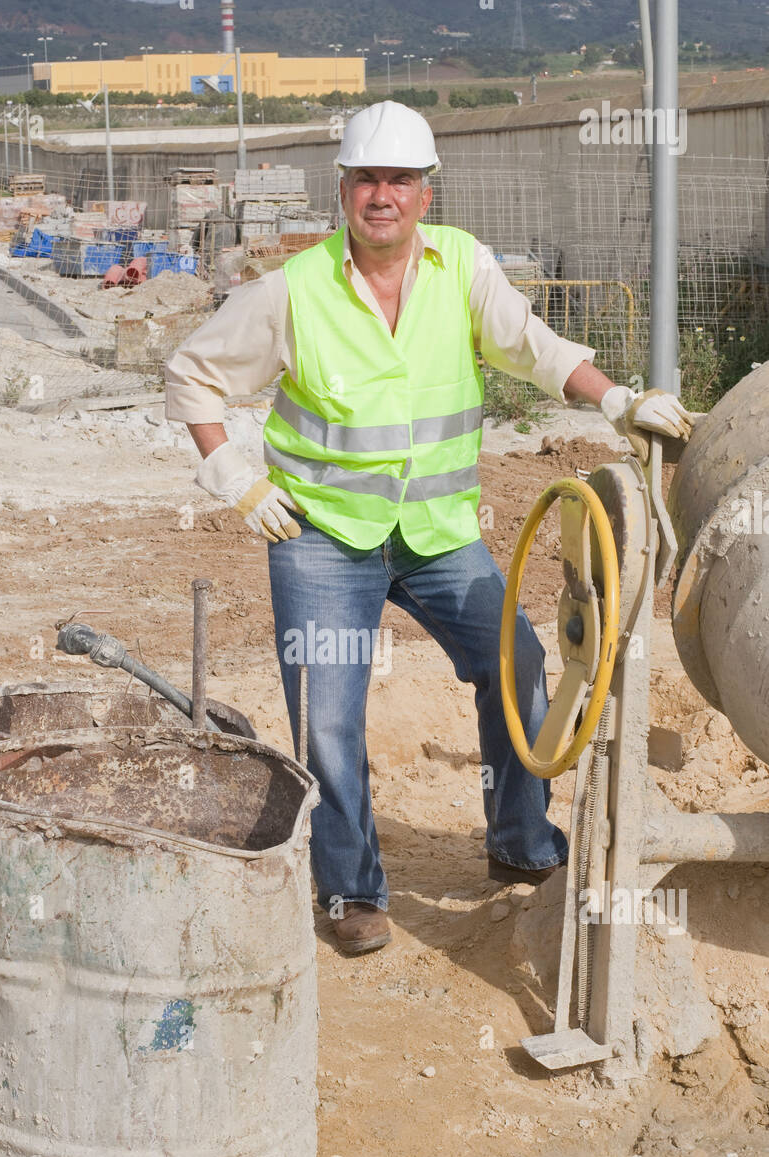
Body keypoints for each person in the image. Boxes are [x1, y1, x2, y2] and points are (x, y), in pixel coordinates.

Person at [165, 101, 693, 956]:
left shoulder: (462, 268)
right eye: (367, 179)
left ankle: (520, 845)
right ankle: (348, 890)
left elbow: (535, 348)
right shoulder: (292, 291)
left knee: (516, 665)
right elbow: (192, 375)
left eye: (399, 181)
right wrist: (236, 479)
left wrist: (618, 401)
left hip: (439, 533)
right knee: (326, 719)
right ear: (342, 190)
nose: (383, 196)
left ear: (424, 191)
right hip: (323, 536)